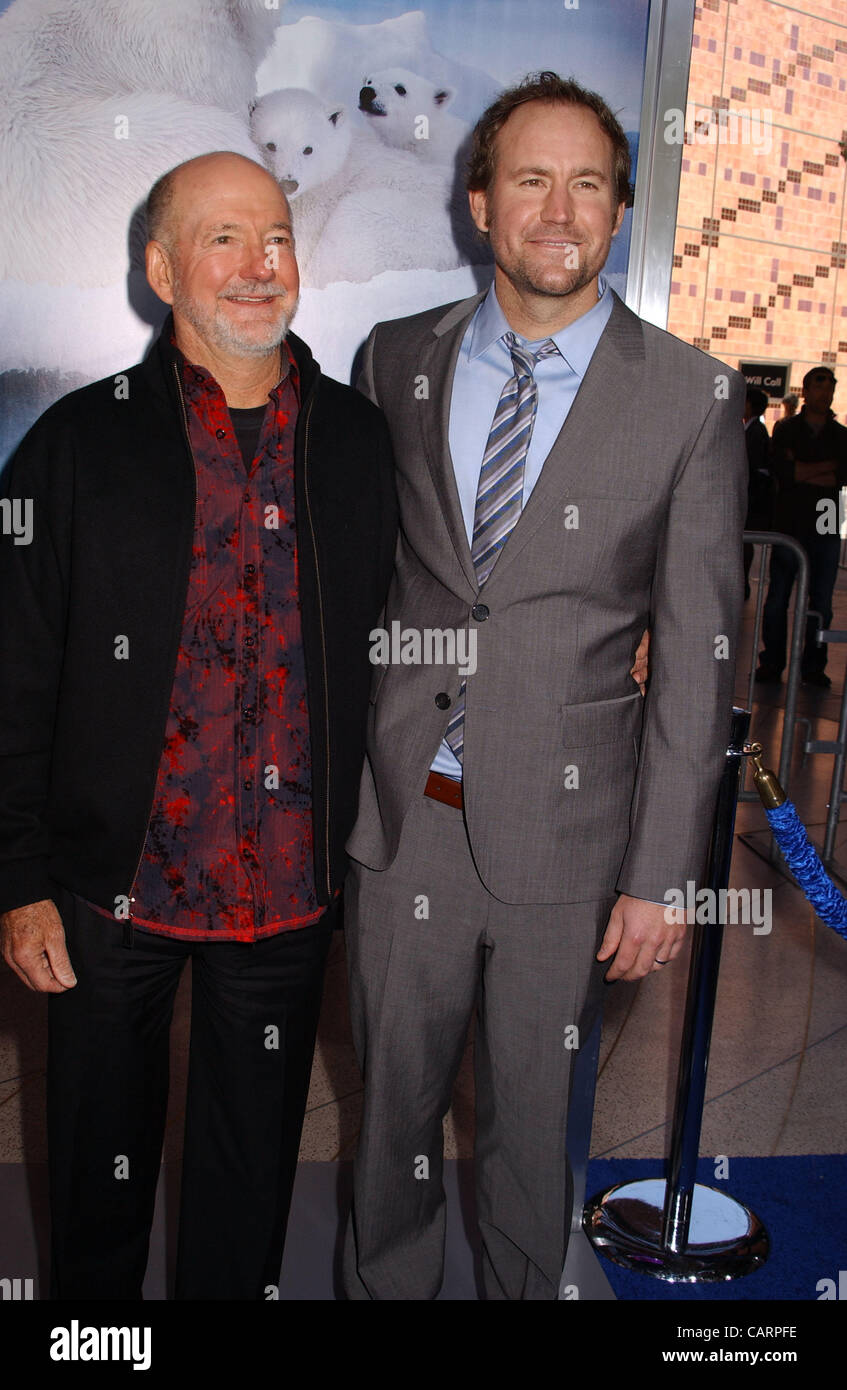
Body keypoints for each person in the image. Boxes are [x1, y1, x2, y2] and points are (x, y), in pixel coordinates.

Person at [341, 71, 747, 1301]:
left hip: (572, 844)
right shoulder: (394, 360)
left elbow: (697, 648)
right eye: (529, 179)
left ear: (619, 211)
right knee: (383, 1134)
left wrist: (662, 873)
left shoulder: (689, 396)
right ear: (479, 203)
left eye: (587, 183)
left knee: (531, 1141)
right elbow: (365, 583)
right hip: (401, 822)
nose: (557, 209)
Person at [0, 151, 397, 1299]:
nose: (255, 263)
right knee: (96, 1175)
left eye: (273, 236)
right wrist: (18, 870)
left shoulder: (359, 442)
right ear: (162, 267)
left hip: (286, 895)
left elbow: (435, 613)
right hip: (108, 888)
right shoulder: (79, 443)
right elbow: (16, 668)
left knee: (249, 1171)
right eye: (221, 238)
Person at [757, 366, 847, 688]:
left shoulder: (841, 436)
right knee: (778, 596)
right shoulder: (786, 429)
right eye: (819, 388)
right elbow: (785, 473)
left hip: (827, 518)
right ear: (806, 391)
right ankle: (772, 661)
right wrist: (822, 469)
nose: (825, 396)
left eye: (830, 390)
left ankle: (813, 667)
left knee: (821, 600)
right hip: (790, 521)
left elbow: (841, 476)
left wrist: (802, 469)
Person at [743, 385, 774, 597]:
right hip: (751, 494)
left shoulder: (755, 432)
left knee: (744, 541)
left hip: (752, 496)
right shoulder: (751, 429)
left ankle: (742, 582)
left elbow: (751, 465)